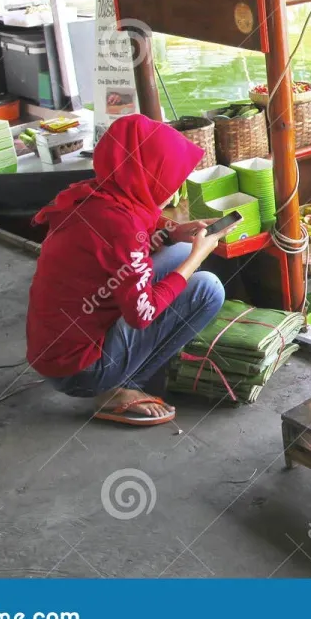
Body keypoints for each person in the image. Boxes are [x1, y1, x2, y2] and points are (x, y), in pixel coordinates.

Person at [26, 114, 230, 427]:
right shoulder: (121, 225)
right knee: (207, 287)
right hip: (80, 371)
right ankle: (118, 389)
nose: (174, 185)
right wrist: (197, 257)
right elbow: (142, 313)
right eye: (170, 176)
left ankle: (120, 370)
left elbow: (123, 252)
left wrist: (173, 233)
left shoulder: (100, 194)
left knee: (176, 250)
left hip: (56, 349)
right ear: (150, 174)